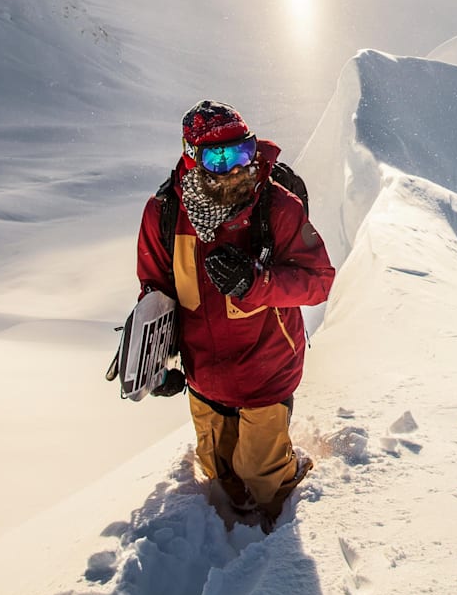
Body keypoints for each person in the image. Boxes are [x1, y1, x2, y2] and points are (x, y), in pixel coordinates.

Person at [135, 99, 334, 528]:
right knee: (219, 476)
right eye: (218, 157)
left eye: (243, 152)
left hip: (267, 371)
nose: (236, 168)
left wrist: (257, 283)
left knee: (266, 484)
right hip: (203, 375)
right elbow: (156, 290)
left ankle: (291, 502)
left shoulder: (276, 208)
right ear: (191, 157)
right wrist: (158, 363)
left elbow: (319, 281)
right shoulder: (164, 214)